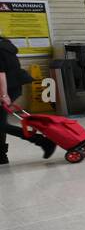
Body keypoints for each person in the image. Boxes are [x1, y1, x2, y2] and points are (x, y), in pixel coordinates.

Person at [0, 35, 56, 165]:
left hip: (6, 89)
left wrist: (4, 95)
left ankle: (43, 141)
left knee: (1, 124)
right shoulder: (5, 45)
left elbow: (0, 73)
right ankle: (1, 156)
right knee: (1, 123)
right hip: (12, 86)